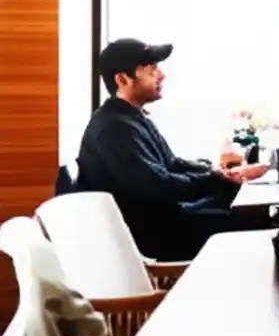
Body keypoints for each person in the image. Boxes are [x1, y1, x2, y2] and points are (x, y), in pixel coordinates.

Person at [77, 39, 268, 261]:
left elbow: (172, 164)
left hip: (168, 218)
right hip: (157, 234)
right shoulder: (114, 128)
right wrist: (217, 178)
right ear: (122, 79)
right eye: (152, 70)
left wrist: (218, 173)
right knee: (261, 220)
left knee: (236, 197)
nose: (161, 75)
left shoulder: (131, 117)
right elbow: (158, 185)